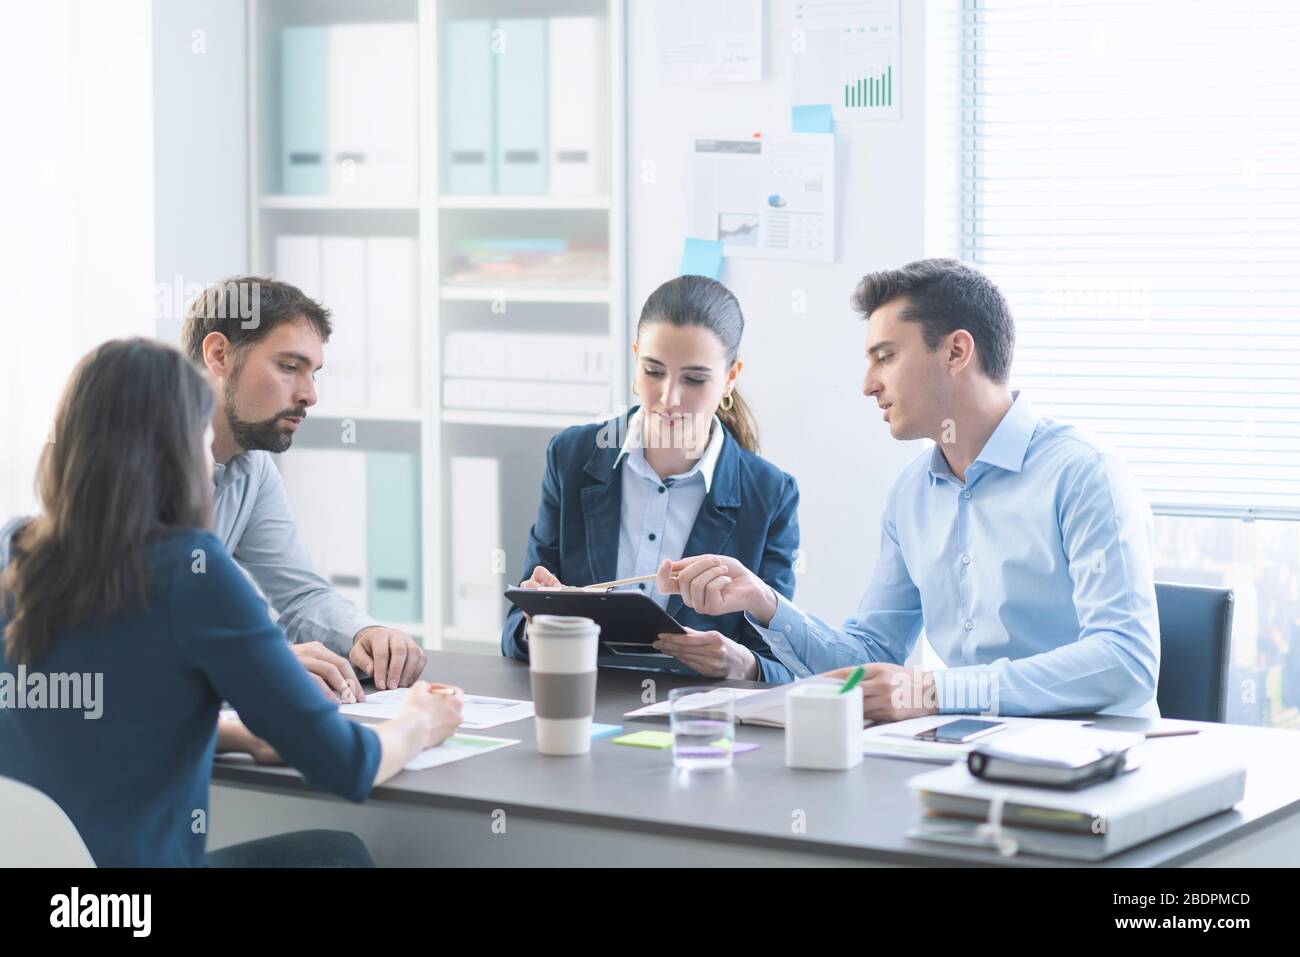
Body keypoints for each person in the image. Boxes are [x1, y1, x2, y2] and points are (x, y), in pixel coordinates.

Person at [0, 339, 462, 866]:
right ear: (179, 450)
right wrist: (421, 722)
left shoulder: (15, 550)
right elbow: (345, 764)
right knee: (339, 856)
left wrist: (234, 735)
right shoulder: (188, 569)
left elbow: (87, 712)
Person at [659, 259, 1160, 718]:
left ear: (957, 352)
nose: (868, 384)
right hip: (968, 756)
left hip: (1093, 767)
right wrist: (764, 601)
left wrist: (935, 692)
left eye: (886, 357)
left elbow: (1126, 661)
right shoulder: (913, 493)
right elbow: (872, 656)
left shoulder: (1085, 474)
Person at [502, 275, 800, 681]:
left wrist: (743, 665)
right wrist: (538, 626)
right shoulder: (572, 458)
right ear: (636, 357)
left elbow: (784, 664)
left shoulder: (770, 494)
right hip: (584, 701)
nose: (669, 397)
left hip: (697, 718)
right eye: (654, 371)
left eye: (694, 379)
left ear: (731, 376)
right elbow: (513, 629)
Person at [182, 277, 426, 698]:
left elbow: (300, 596)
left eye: (313, 373)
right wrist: (255, 658)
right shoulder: (134, 460)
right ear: (219, 355)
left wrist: (363, 632)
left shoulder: (252, 467)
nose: (310, 395)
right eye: (289, 367)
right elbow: (120, 634)